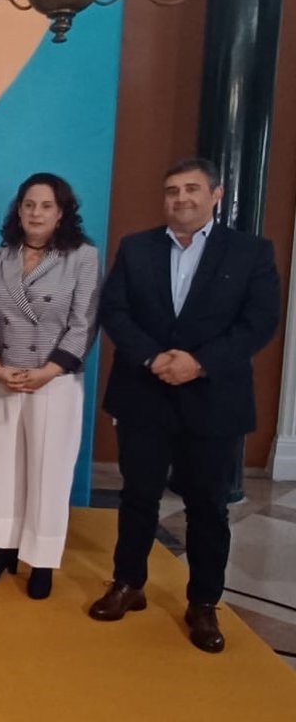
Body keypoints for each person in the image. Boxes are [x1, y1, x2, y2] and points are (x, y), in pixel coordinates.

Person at [89, 158, 280, 653]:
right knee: (137, 497)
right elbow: (115, 310)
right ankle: (128, 584)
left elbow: (259, 321)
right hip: (144, 392)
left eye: (192, 189)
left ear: (216, 194)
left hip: (213, 398)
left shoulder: (251, 252)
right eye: (172, 190)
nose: (181, 198)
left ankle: (204, 602)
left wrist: (198, 363)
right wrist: (154, 357)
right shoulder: (137, 247)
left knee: (208, 506)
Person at [0, 172, 100, 600]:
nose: (36, 213)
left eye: (46, 206)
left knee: (49, 472)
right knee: (3, 467)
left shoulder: (82, 257)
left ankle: (41, 560)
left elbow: (84, 323)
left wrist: (49, 370)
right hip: (4, 376)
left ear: (61, 212)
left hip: (54, 381)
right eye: (29, 205)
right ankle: (2, 549)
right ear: (18, 210)